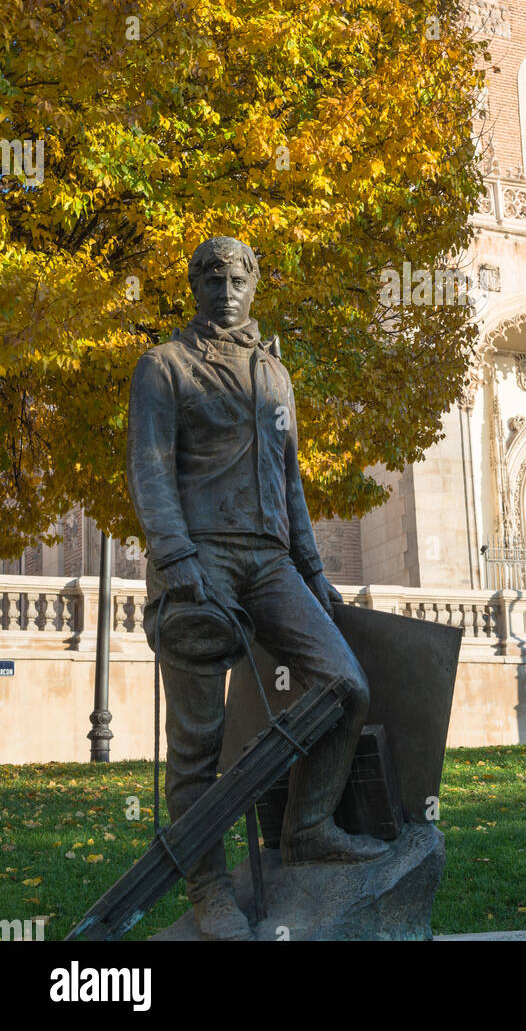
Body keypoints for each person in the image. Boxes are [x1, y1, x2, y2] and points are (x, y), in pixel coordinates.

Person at [126, 236, 388, 941]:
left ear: (255, 283)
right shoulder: (164, 366)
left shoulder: (273, 374)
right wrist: (175, 557)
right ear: (193, 284)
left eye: (237, 275)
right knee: (197, 743)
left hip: (271, 562)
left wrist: (314, 567)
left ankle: (308, 828)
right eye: (210, 275)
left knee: (345, 685)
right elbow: (148, 469)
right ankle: (208, 886)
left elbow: (289, 480)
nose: (224, 286)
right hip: (198, 558)